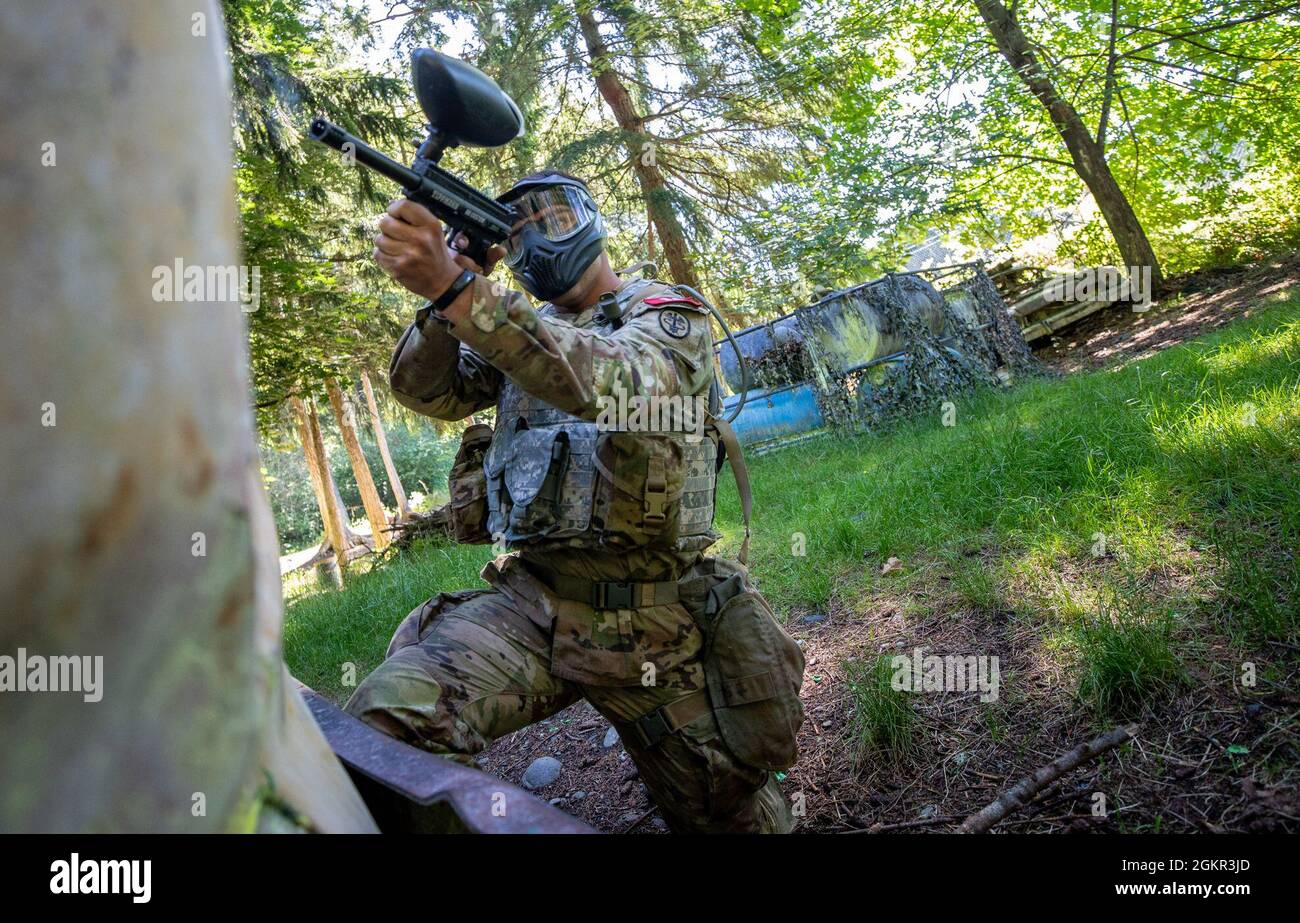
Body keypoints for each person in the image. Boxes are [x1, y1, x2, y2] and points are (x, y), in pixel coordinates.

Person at [347, 171, 803, 833]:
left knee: (725, 811)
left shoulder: (666, 313)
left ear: (590, 219)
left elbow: (616, 379)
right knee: (386, 727)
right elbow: (428, 390)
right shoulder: (513, 331)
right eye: (518, 234)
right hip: (534, 607)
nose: (539, 242)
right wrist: (445, 303)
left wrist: (459, 289)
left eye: (554, 218)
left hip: (650, 617)